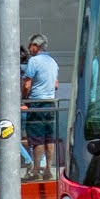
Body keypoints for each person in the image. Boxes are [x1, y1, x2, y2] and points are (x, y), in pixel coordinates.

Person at [22, 34, 60, 180]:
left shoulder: (34, 61)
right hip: (50, 103)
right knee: (49, 138)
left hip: (36, 103)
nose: (28, 49)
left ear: (36, 46)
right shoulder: (52, 62)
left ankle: (36, 170)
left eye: (30, 45)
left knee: (37, 138)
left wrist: (23, 99)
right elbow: (56, 84)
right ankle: (48, 170)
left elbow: (27, 84)